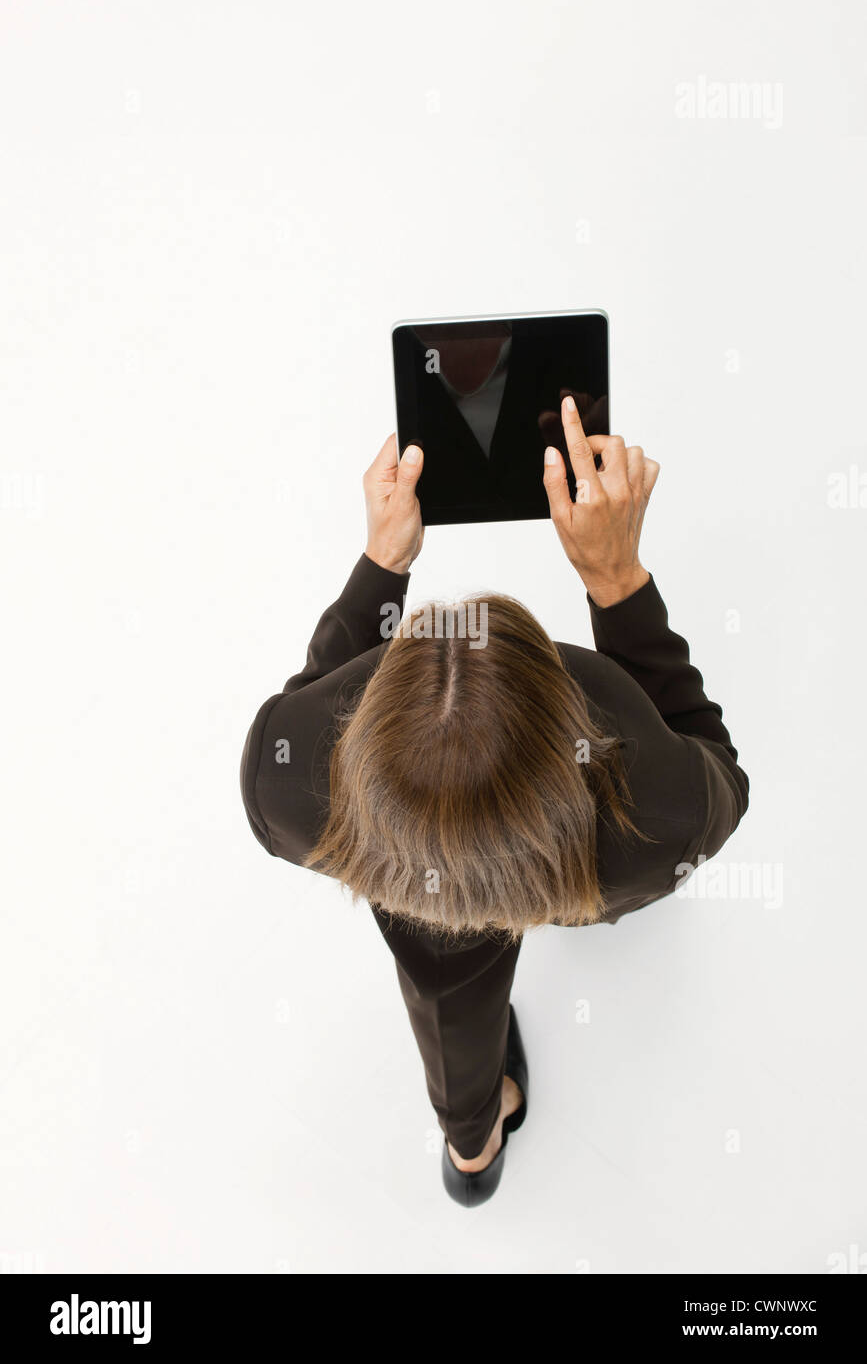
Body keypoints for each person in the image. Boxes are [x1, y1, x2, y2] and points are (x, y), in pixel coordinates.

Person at [240, 396, 749, 1207]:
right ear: (572, 710)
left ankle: (471, 1145)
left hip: (410, 875)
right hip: (587, 869)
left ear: (361, 727)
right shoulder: (659, 819)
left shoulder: (284, 778)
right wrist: (615, 583)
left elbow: (314, 690)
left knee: (448, 1001)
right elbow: (713, 763)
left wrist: (382, 565)